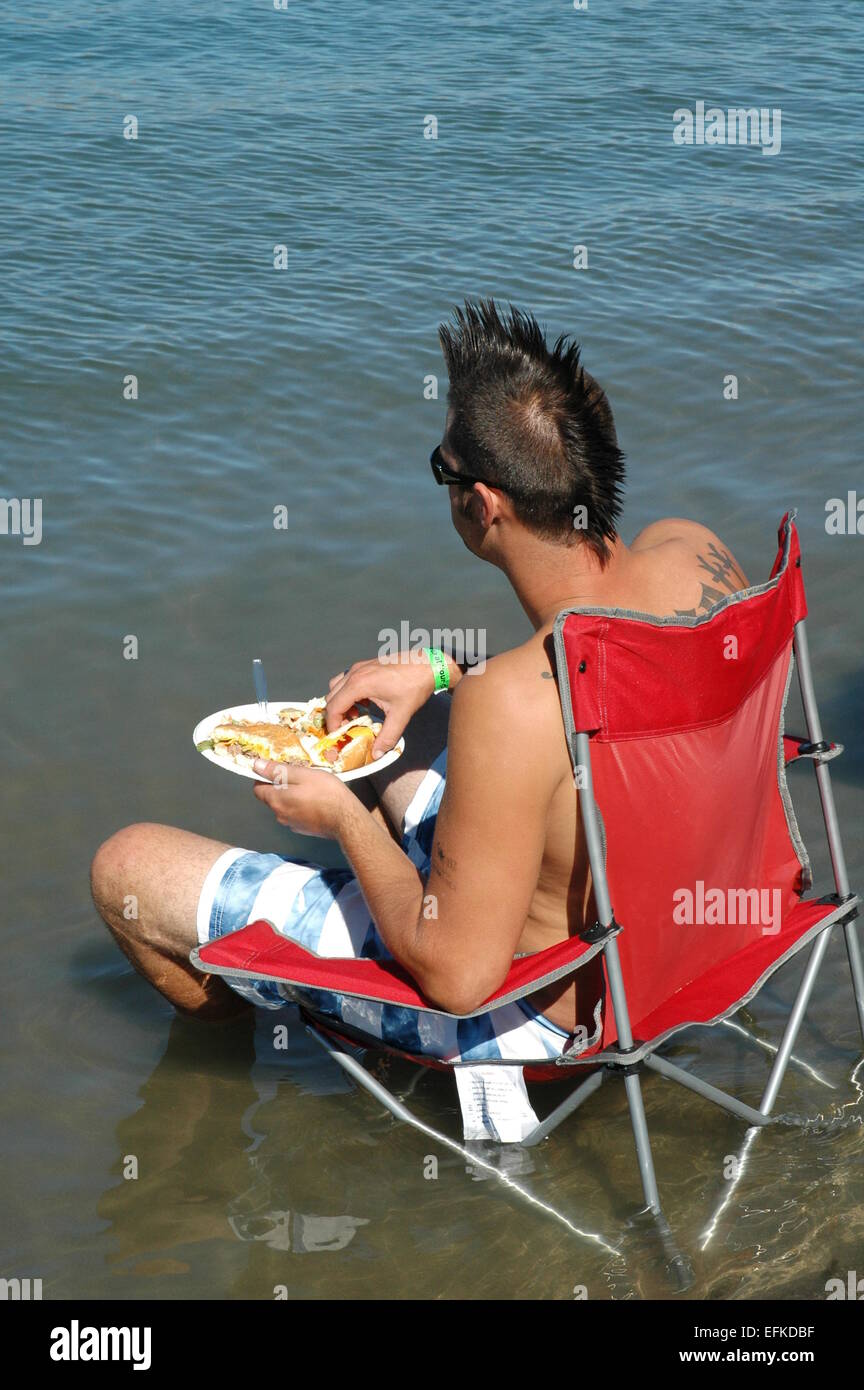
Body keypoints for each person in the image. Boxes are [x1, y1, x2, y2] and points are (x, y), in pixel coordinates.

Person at [91, 299, 750, 1064]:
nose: (442, 482)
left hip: (539, 1011)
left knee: (125, 866)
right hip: (691, 938)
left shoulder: (511, 703)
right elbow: (593, 685)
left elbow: (459, 977)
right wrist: (444, 672)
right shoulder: (694, 553)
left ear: (482, 503)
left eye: (443, 468)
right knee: (370, 723)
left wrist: (345, 819)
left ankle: (226, 1057)